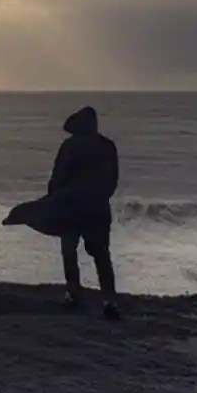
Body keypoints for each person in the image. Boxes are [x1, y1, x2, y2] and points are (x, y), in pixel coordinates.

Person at [48, 106, 120, 320]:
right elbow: (112, 181)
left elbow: (57, 178)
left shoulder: (69, 147)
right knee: (101, 254)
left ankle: (73, 292)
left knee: (69, 250)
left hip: (72, 207)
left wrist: (54, 199)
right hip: (98, 208)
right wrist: (99, 196)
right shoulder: (108, 146)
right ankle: (109, 298)